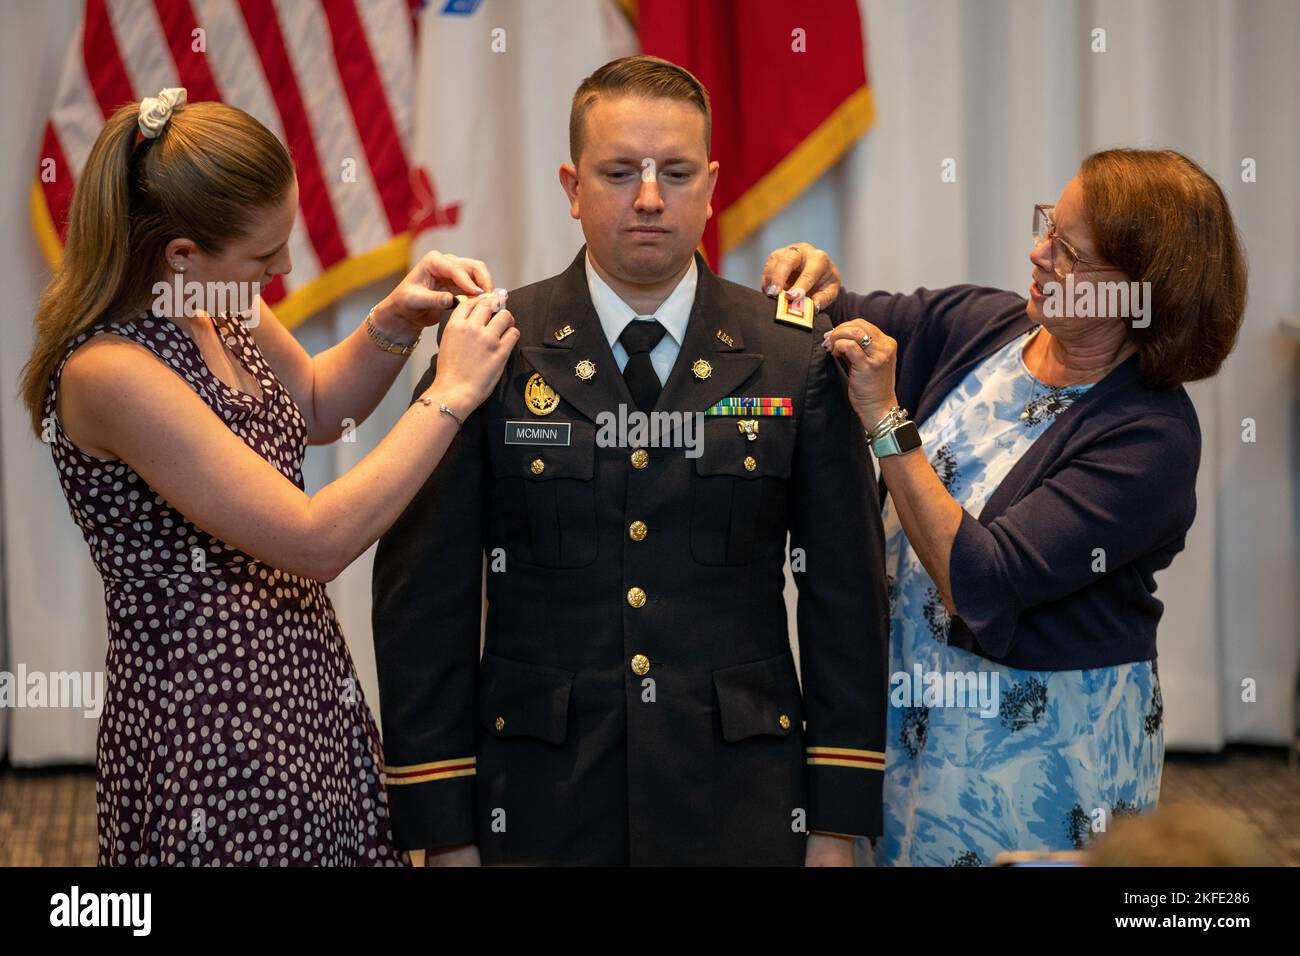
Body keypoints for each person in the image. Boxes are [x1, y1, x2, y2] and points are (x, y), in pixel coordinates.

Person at [372, 56, 889, 867]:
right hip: (538, 799)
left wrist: (835, 822)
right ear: (572, 187)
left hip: (740, 798)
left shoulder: (792, 354)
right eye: (619, 172)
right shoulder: (491, 348)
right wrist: (443, 829)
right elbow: (424, 599)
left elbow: (846, 598)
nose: (649, 198)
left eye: (675, 172)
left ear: (712, 184)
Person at [19, 90, 518, 866]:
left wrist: (393, 321)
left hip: (304, 687)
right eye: (263, 256)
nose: (284, 267)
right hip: (212, 728)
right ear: (180, 253)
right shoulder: (110, 373)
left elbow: (316, 402)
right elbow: (315, 540)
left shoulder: (215, 300)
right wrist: (451, 396)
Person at [762, 148, 1247, 866]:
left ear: (1136, 293)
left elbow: (980, 581)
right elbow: (841, 323)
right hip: (909, 715)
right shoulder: (982, 325)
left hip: (1038, 760)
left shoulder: (1151, 439)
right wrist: (811, 284)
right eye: (1048, 224)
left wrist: (887, 422)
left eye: (1069, 251)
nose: (1038, 251)